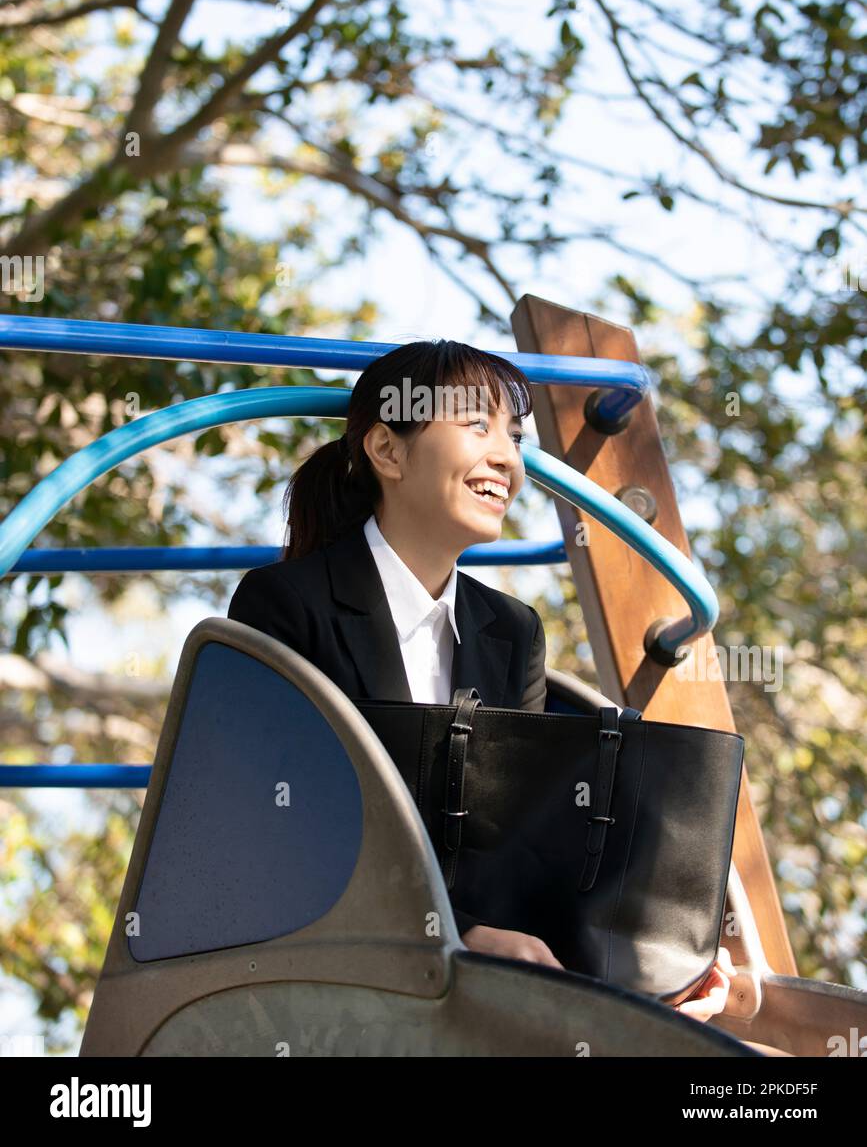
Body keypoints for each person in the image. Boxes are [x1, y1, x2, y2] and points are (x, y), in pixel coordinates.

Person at [226, 338, 731, 1023]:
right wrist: (454, 931)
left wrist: (656, 969)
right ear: (387, 450)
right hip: (337, 976)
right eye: (476, 426)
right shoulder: (286, 604)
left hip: (475, 990)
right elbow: (288, 823)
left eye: (515, 436)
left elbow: (517, 849)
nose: (506, 459)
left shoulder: (509, 632)